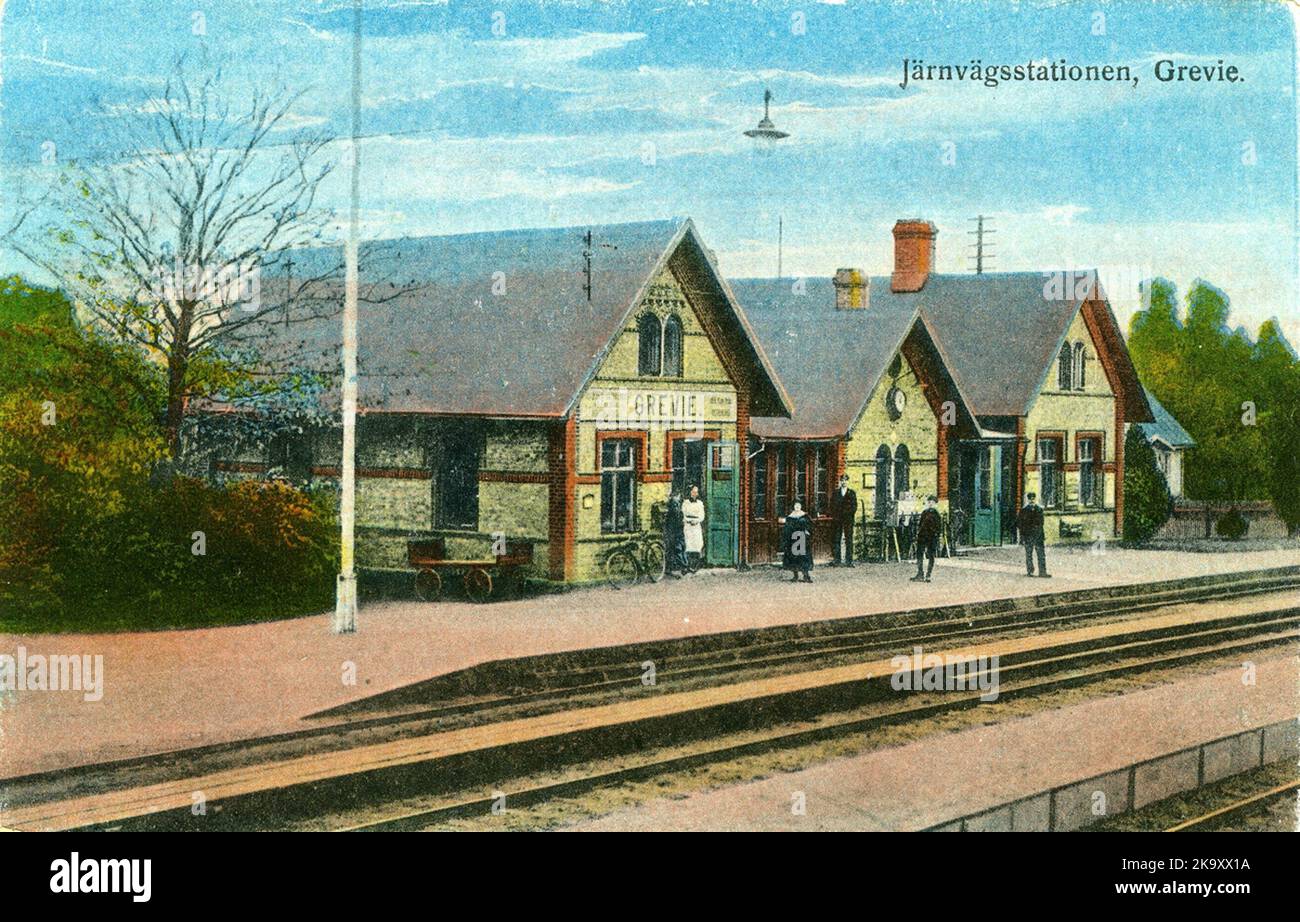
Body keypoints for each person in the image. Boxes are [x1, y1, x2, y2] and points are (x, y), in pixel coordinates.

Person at [1017, 491, 1049, 577]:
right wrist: (1023, 536)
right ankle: (1030, 571)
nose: (1032, 500)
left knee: (1041, 554)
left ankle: (1042, 572)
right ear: (1027, 500)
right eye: (1030, 499)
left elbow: (1041, 523)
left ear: (1035, 499)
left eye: (1033, 498)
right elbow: (1020, 524)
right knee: (1029, 554)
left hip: (1038, 536)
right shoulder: (1023, 511)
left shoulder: (1039, 510)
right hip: (1028, 535)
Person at [911, 495, 942, 582]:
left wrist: (936, 536)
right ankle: (920, 573)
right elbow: (920, 525)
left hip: (932, 538)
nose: (930, 504)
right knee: (919, 554)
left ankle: (928, 575)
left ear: (936, 504)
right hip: (922, 537)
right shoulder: (924, 513)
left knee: (931, 556)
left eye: (932, 502)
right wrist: (918, 534)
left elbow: (939, 528)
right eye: (929, 502)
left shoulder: (937, 515)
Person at [781, 502, 814, 583]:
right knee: (794, 557)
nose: (797, 507)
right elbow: (786, 529)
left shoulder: (805, 516)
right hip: (793, 540)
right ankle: (795, 576)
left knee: (804, 557)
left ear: (801, 506)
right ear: (793, 506)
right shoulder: (790, 517)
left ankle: (806, 576)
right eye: (795, 505)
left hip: (802, 539)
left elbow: (810, 526)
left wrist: (807, 532)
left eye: (799, 505)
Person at [829, 474, 857, 567]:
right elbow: (832, 505)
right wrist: (835, 515)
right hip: (838, 520)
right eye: (842, 480)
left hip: (848, 520)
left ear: (848, 482)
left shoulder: (852, 493)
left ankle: (849, 561)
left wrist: (847, 514)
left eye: (846, 480)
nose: (844, 482)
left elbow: (854, 507)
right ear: (840, 482)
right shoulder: (836, 493)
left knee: (849, 539)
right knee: (836, 539)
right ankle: (837, 560)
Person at [663, 489, 688, 578]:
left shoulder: (672, 504)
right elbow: (677, 516)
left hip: (673, 530)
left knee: (674, 549)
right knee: (678, 548)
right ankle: (681, 567)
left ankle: (678, 567)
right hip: (676, 530)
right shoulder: (675, 504)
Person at [681, 485, 706, 573]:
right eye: (693, 492)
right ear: (690, 493)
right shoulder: (685, 503)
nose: (695, 494)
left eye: (696, 492)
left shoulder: (700, 503)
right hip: (688, 526)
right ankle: (687, 565)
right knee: (688, 544)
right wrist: (689, 520)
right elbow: (683, 515)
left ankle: (695, 566)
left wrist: (696, 521)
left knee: (697, 544)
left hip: (696, 526)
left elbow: (702, 516)